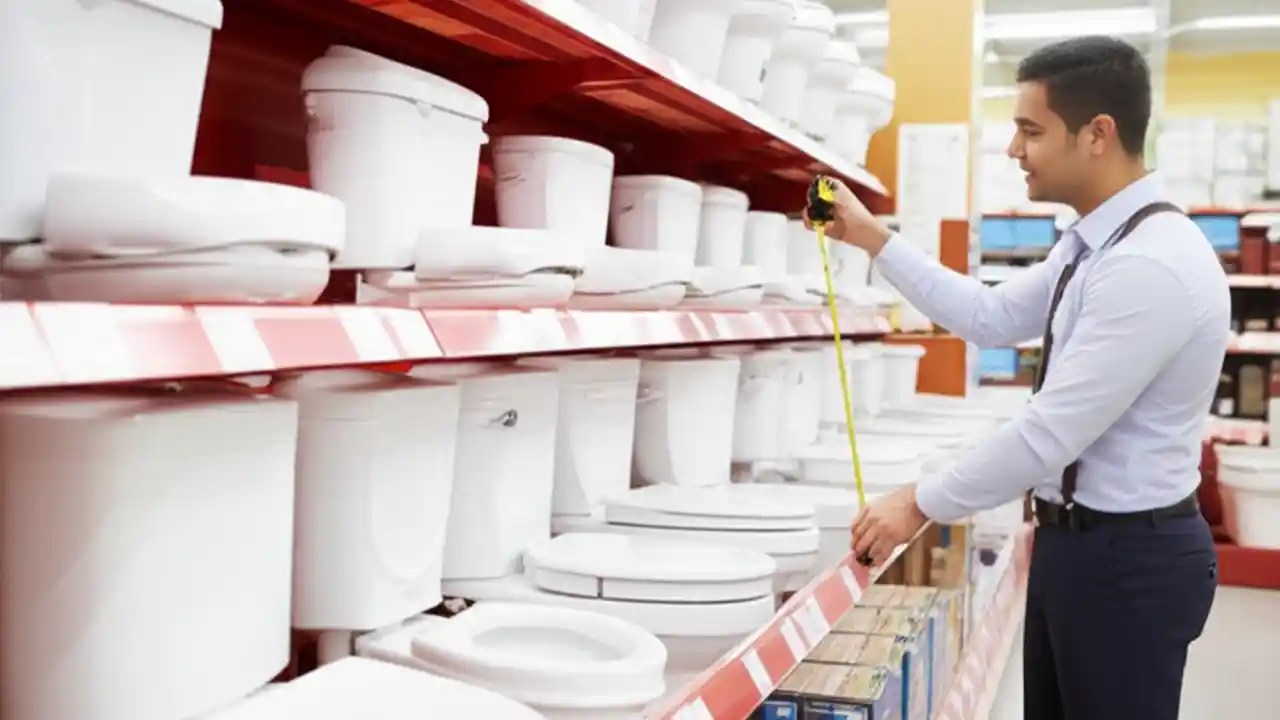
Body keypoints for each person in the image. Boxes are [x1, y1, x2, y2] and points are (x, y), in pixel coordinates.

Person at [810, 36, 1226, 720]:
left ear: (1098, 134)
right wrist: (872, 238)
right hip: (1075, 545)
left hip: (1129, 563)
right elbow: (993, 314)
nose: (1012, 149)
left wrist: (919, 502)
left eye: (1030, 130)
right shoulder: (1095, 244)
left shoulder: (1149, 266)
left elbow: (1049, 435)